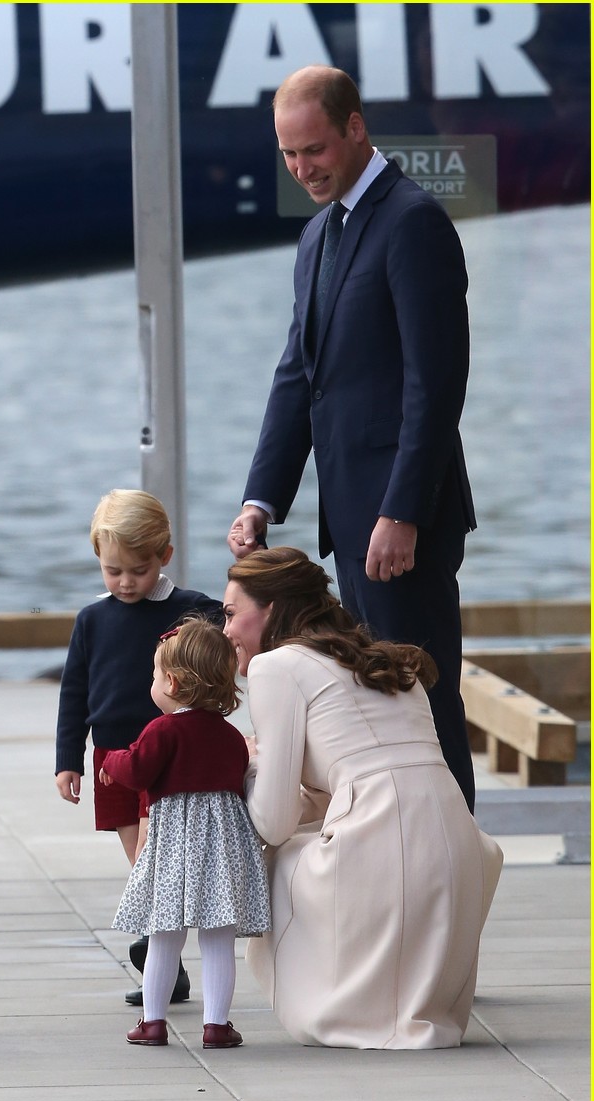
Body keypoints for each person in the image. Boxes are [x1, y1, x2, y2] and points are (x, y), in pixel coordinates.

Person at [227, 65, 477, 811]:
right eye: (290, 154)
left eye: (316, 150)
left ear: (356, 129)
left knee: (424, 704)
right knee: (376, 708)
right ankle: (394, 861)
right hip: (351, 523)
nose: (304, 168)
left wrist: (402, 512)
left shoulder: (412, 221)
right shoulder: (318, 236)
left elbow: (436, 387)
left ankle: (453, 869)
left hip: (404, 523)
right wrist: (261, 500)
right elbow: (299, 378)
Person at [223, 547, 503, 1049]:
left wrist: (247, 765)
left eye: (230, 614)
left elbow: (273, 821)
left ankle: (349, 1003)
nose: (225, 632)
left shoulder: (276, 666)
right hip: (456, 848)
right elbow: (362, 776)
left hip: (385, 843)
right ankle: (400, 996)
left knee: (281, 858)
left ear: (269, 611)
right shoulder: (384, 662)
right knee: (311, 843)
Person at [55, 490, 221, 1006]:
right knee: (140, 860)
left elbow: (230, 630)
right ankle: (164, 962)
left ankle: (158, 950)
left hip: (170, 754)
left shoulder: (192, 610)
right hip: (111, 758)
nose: (125, 582)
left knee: (156, 857)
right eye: (113, 571)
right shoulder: (92, 619)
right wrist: (68, 761)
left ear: (164, 556)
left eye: (138, 570)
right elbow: (74, 692)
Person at [104, 616, 270, 1049]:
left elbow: (137, 768)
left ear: (173, 683)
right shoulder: (231, 736)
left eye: (155, 676)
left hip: (176, 843)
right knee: (218, 936)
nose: (153, 683)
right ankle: (216, 1025)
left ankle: (153, 1022)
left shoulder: (163, 730)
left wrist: (109, 763)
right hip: (221, 846)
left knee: (165, 935)